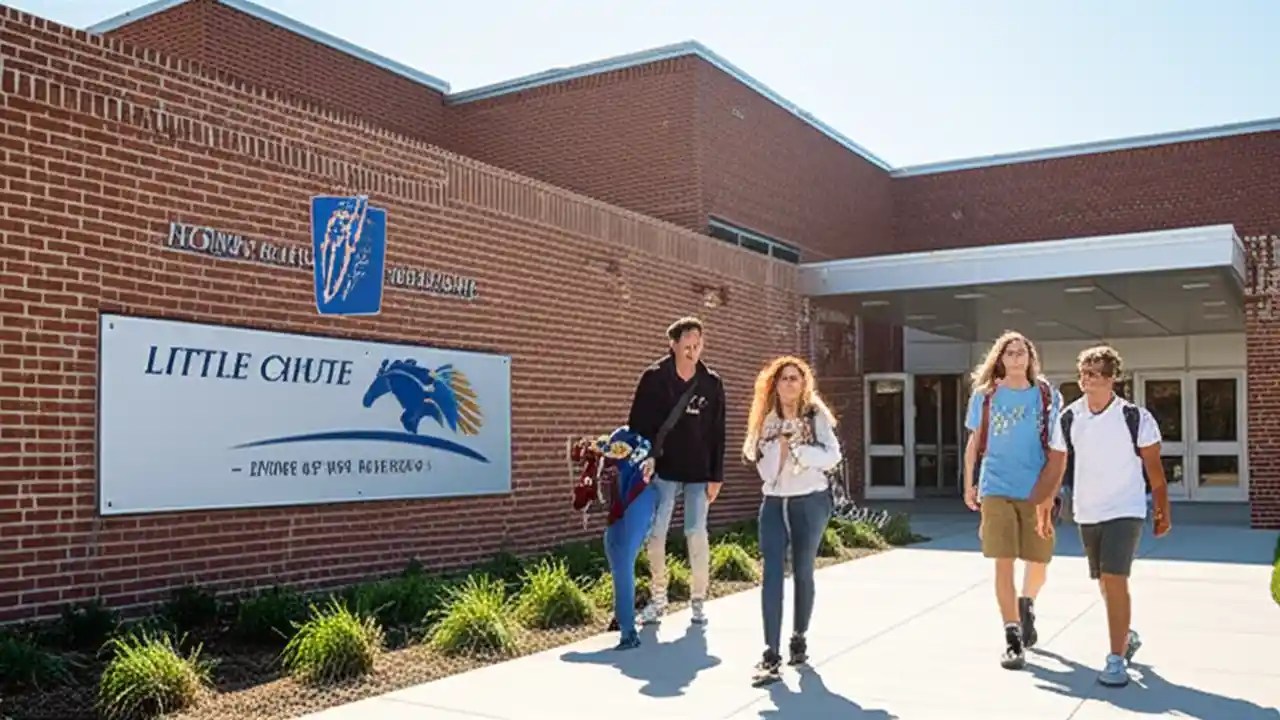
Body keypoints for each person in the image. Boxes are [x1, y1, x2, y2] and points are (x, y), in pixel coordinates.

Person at [1040, 345, 1171, 687]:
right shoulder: (1069, 417)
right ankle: (1125, 636)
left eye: (1095, 373)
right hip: (1088, 511)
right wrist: (1045, 504)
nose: (1087, 380)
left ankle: (1115, 660)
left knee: (1115, 579)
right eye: (1083, 373)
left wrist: (1162, 510)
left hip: (1125, 510)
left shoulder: (1135, 417)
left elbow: (1155, 470)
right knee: (1104, 582)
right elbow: (1057, 465)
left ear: (1112, 378)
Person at [963, 330, 1064, 670]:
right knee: (1002, 560)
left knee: (1039, 562)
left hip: (1036, 489)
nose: (1017, 358)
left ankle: (1026, 604)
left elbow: (1058, 447)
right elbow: (975, 443)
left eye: (1023, 352)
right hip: (996, 487)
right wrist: (969, 484)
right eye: (1011, 353)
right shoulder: (986, 396)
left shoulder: (1047, 395)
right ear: (1000, 358)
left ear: (1031, 358)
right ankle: (1012, 637)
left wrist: (1052, 490)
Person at [742, 356, 840, 686]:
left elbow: (833, 456)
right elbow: (766, 473)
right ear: (774, 384)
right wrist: (781, 448)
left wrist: (802, 450)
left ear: (803, 383)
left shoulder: (816, 416)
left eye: (795, 378)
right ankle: (771, 653)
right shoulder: (765, 423)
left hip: (810, 500)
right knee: (771, 573)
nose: (789, 383)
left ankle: (798, 637)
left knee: (803, 571)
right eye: (783, 378)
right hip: (774, 504)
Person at [628, 316, 726, 627]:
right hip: (663, 469)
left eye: (698, 346)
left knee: (696, 533)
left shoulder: (711, 383)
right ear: (673, 344)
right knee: (656, 535)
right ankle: (659, 600)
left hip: (699, 470)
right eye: (687, 346)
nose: (693, 352)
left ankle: (697, 600)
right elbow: (637, 425)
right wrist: (643, 459)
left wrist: (716, 475)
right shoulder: (654, 378)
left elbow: (718, 432)